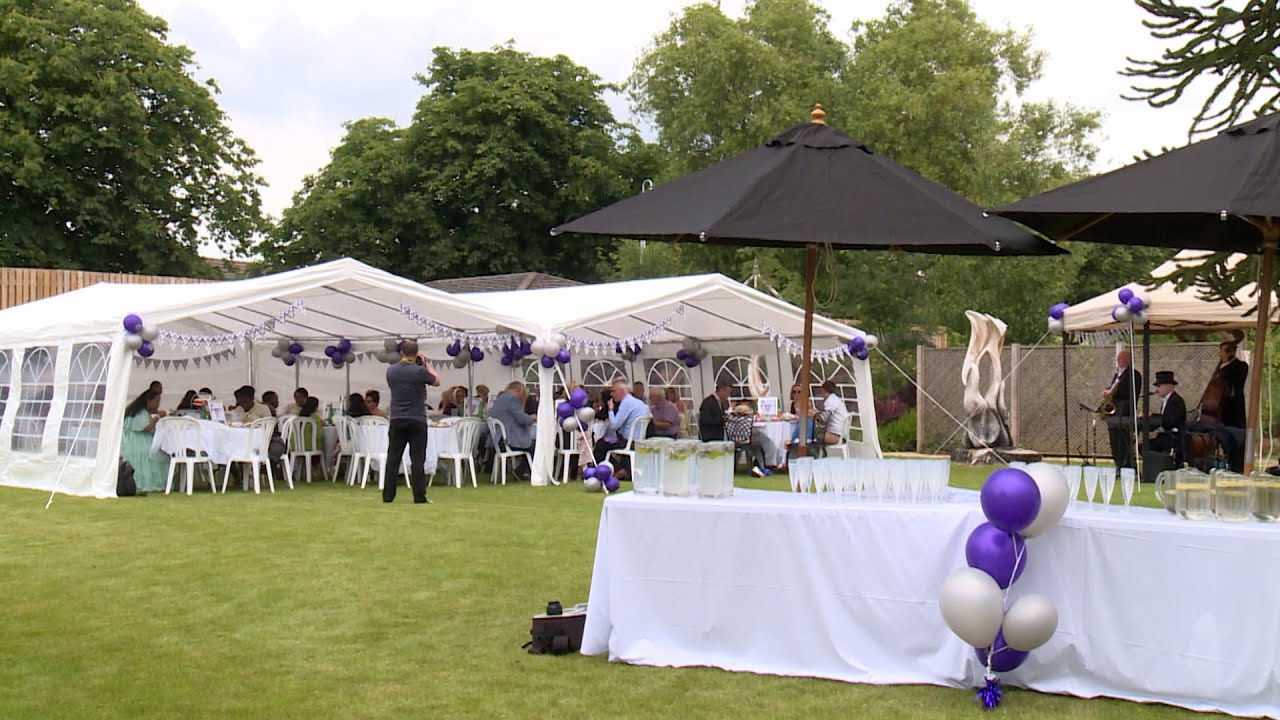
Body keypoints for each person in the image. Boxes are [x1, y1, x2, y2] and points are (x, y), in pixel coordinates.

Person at [384, 340, 439, 504]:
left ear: (401, 353)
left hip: (397, 418)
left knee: (393, 458)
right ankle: (419, 496)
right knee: (417, 459)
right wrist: (426, 364)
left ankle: (388, 496)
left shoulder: (391, 370)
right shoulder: (419, 371)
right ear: (416, 353)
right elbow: (436, 380)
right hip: (416, 418)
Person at [593, 379, 650, 480]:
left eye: (613, 391)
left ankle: (614, 471)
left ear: (622, 391)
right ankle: (623, 469)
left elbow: (614, 425)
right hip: (638, 440)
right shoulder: (640, 403)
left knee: (600, 444)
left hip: (627, 441)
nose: (611, 394)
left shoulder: (626, 403)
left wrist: (610, 410)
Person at [121, 389, 169, 492]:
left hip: (130, 441)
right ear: (148, 401)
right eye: (156, 401)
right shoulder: (140, 413)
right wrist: (157, 417)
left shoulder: (135, 410)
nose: (158, 404)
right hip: (138, 441)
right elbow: (147, 427)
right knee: (158, 453)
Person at [1102, 350, 1142, 469]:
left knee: (1123, 440)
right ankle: (1118, 463)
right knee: (1115, 439)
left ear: (1128, 360)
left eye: (1121, 359)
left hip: (1124, 411)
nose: (1118, 361)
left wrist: (1111, 392)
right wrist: (1107, 392)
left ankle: (1127, 464)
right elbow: (1113, 387)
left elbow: (1127, 391)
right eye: (1118, 359)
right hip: (1115, 413)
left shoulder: (1133, 375)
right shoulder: (1118, 374)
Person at [489, 381, 536, 478]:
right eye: (523, 394)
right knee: (536, 445)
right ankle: (521, 471)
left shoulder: (501, 398)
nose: (522, 398)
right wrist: (532, 418)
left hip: (499, 439)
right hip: (508, 440)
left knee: (531, 445)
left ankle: (523, 471)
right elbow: (522, 419)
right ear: (519, 391)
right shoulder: (512, 399)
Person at [1143, 371, 1187, 465]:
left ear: (1168, 386)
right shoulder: (1166, 401)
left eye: (1159, 386)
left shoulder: (1176, 401)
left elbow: (1169, 421)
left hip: (1173, 438)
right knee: (1143, 446)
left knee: (1146, 447)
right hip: (1164, 436)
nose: (1157, 390)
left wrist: (1153, 416)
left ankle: (1160, 466)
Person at [726, 403, 770, 477]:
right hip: (745, 442)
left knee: (754, 444)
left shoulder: (729, 420)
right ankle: (762, 467)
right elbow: (754, 432)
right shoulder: (748, 420)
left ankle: (734, 468)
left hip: (733, 442)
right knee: (757, 445)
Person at [1212, 340, 1248, 429]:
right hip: (1222, 406)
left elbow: (1234, 381)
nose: (1220, 355)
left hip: (1234, 406)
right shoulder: (1223, 368)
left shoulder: (1241, 366)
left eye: (1222, 352)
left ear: (1230, 353)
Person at [813, 380, 848, 448]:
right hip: (841, 434)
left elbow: (823, 419)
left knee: (810, 435)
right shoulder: (836, 399)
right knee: (815, 433)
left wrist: (813, 414)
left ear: (823, 390)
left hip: (836, 436)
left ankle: (816, 453)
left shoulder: (830, 401)